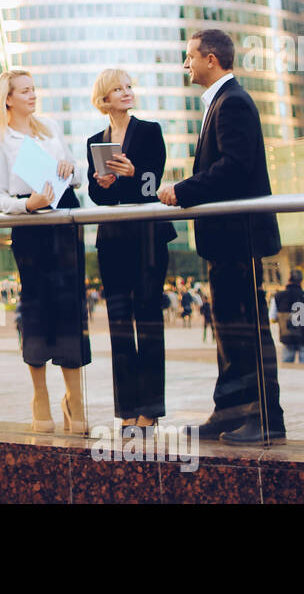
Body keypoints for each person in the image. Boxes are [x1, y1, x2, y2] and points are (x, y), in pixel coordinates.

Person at [158, 28, 285, 446]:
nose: (185, 65)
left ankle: (266, 419)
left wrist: (184, 189)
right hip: (229, 241)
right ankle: (229, 413)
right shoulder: (223, 102)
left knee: (247, 330)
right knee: (229, 331)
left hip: (240, 239)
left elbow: (234, 167)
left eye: (189, 57)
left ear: (211, 59)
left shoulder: (233, 103)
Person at [0, 68, 90, 434]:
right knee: (37, 308)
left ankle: (75, 399)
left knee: (71, 308)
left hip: (65, 222)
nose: (32, 95)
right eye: (24, 91)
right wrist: (28, 204)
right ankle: (40, 397)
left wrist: (70, 168)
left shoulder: (50, 129)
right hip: (31, 227)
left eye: (33, 89)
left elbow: (79, 173)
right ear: (8, 99)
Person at [86, 68, 176, 429]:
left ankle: (149, 412)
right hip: (113, 240)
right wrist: (104, 182)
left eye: (128, 87)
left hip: (148, 238)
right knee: (119, 325)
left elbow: (152, 185)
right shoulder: (96, 140)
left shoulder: (150, 132)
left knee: (149, 321)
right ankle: (127, 411)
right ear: (104, 99)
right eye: (118, 89)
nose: (126, 93)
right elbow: (96, 196)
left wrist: (132, 172)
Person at [270, 270, 304, 364]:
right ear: (301, 281)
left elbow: (272, 318)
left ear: (288, 280)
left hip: (288, 336)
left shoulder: (278, 296)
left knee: (287, 365)